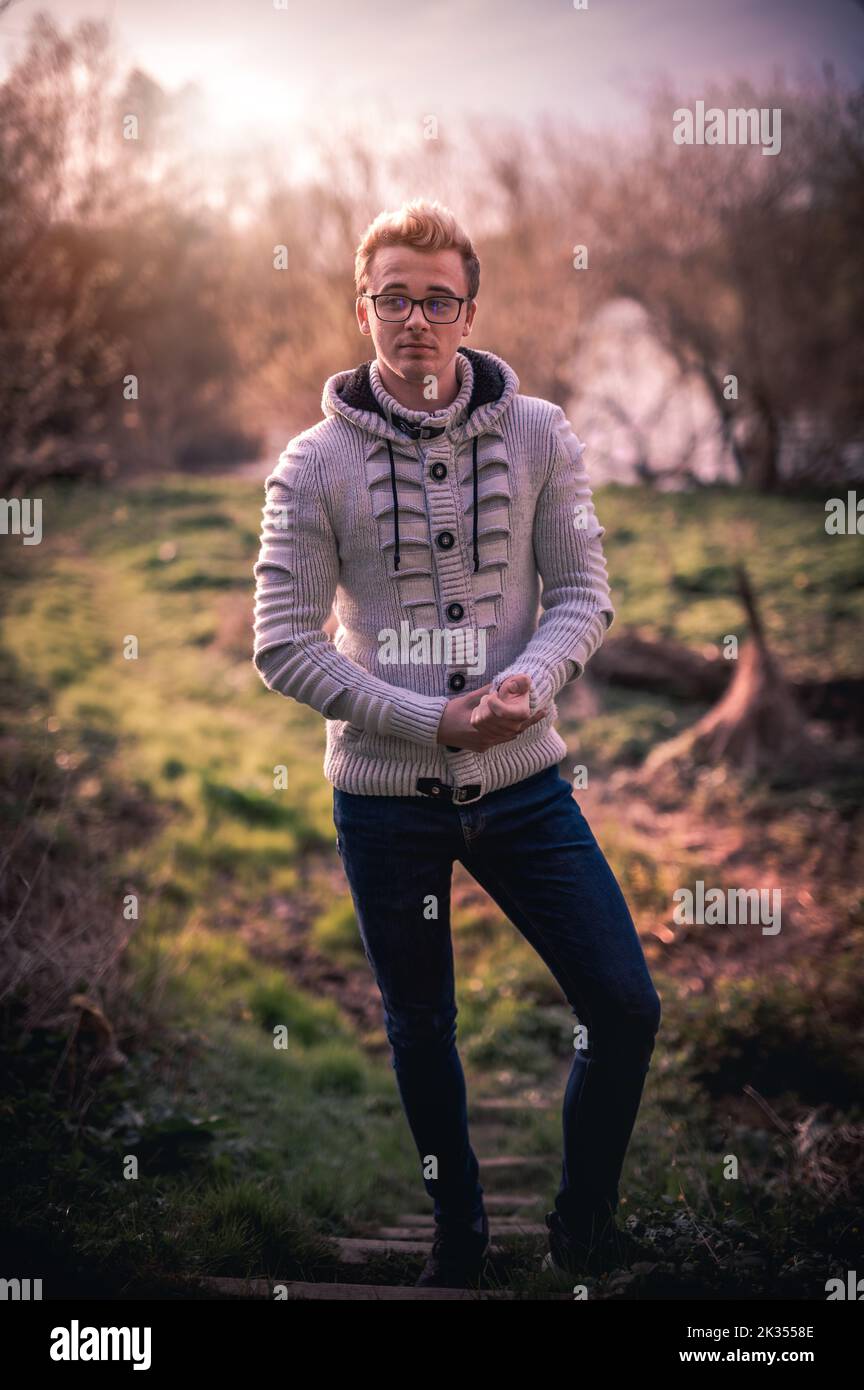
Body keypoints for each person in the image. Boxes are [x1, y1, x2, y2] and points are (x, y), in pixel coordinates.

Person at [252, 197, 661, 1289]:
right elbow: (284, 647)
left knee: (624, 1006)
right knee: (421, 1026)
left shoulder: (542, 434)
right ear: (363, 308)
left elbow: (583, 590)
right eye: (395, 298)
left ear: (470, 307)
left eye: (438, 299)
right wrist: (429, 718)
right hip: (386, 797)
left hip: (524, 783)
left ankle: (581, 1230)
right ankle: (460, 1235)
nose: (417, 320)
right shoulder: (310, 465)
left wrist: (537, 674)